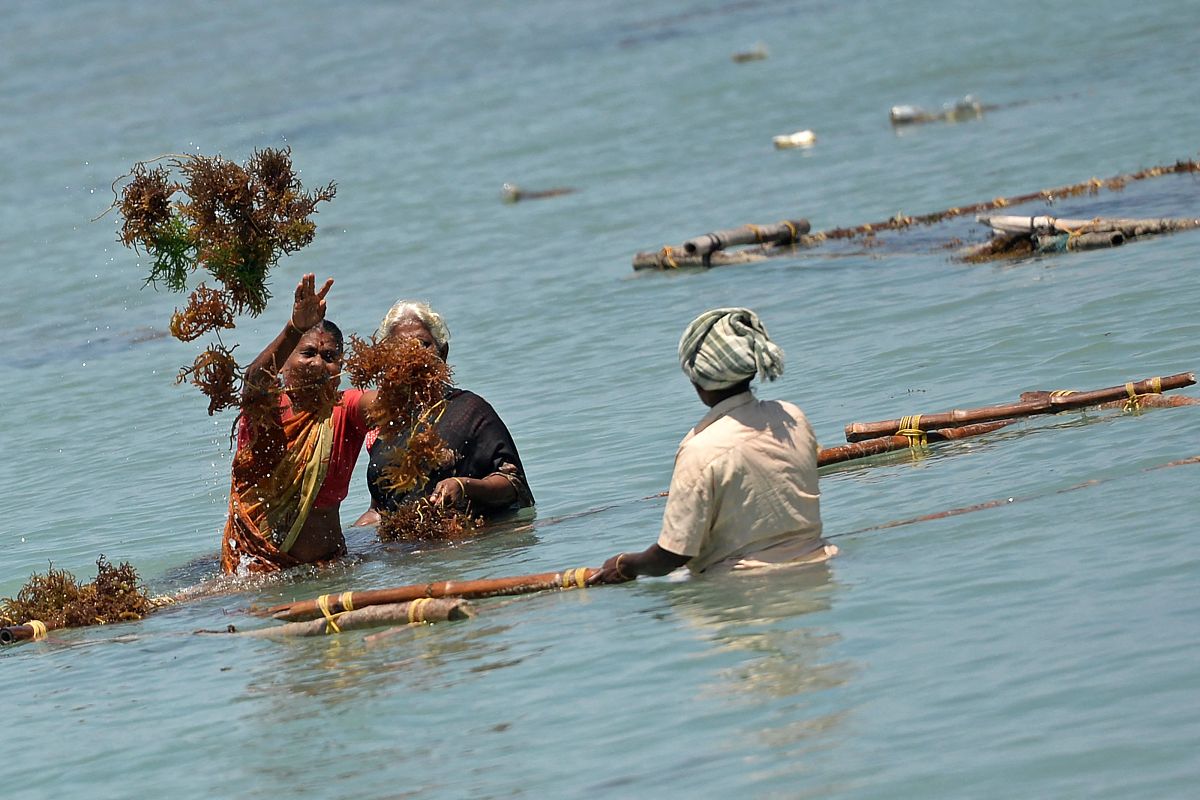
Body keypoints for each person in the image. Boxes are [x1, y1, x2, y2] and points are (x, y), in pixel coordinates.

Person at [590, 307, 834, 583]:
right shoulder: (792, 417)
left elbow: (672, 556)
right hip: (820, 570)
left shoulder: (700, 450)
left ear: (697, 381)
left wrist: (625, 565)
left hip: (745, 589)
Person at [221, 274, 379, 574]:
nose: (318, 363)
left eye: (329, 356)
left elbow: (382, 405)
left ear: (341, 366)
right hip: (260, 572)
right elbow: (254, 380)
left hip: (329, 568)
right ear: (286, 361)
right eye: (307, 353)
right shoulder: (266, 409)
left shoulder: (344, 409)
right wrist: (294, 328)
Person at [353, 300, 533, 526]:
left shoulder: (471, 411)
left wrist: (464, 486)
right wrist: (348, 541)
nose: (412, 354)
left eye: (423, 344)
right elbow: (380, 510)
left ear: (443, 352)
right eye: (400, 348)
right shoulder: (387, 427)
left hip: (469, 545)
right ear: (387, 360)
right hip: (405, 553)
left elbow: (514, 483)